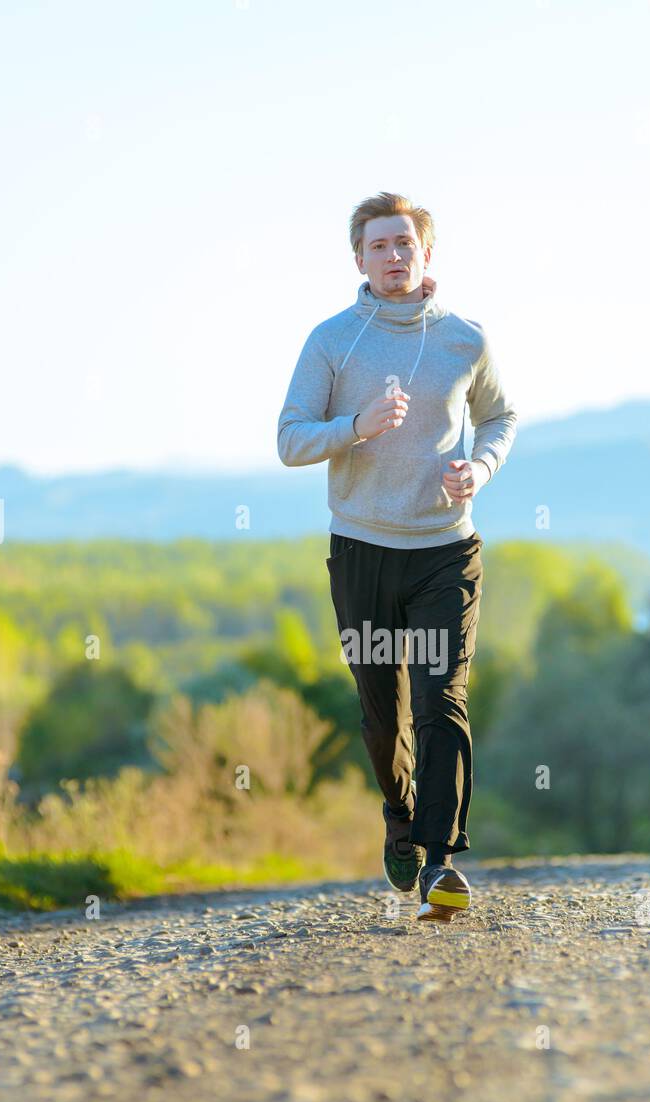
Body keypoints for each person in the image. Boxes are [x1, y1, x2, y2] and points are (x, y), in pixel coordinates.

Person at [277, 191, 517, 920]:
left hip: (445, 551)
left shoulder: (464, 340)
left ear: (426, 253)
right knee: (382, 718)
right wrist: (356, 425)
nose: (392, 257)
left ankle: (441, 864)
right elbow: (290, 440)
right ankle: (399, 813)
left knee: (441, 703)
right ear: (359, 258)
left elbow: (500, 416)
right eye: (378, 246)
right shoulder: (333, 341)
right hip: (362, 552)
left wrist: (478, 469)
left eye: (404, 244)